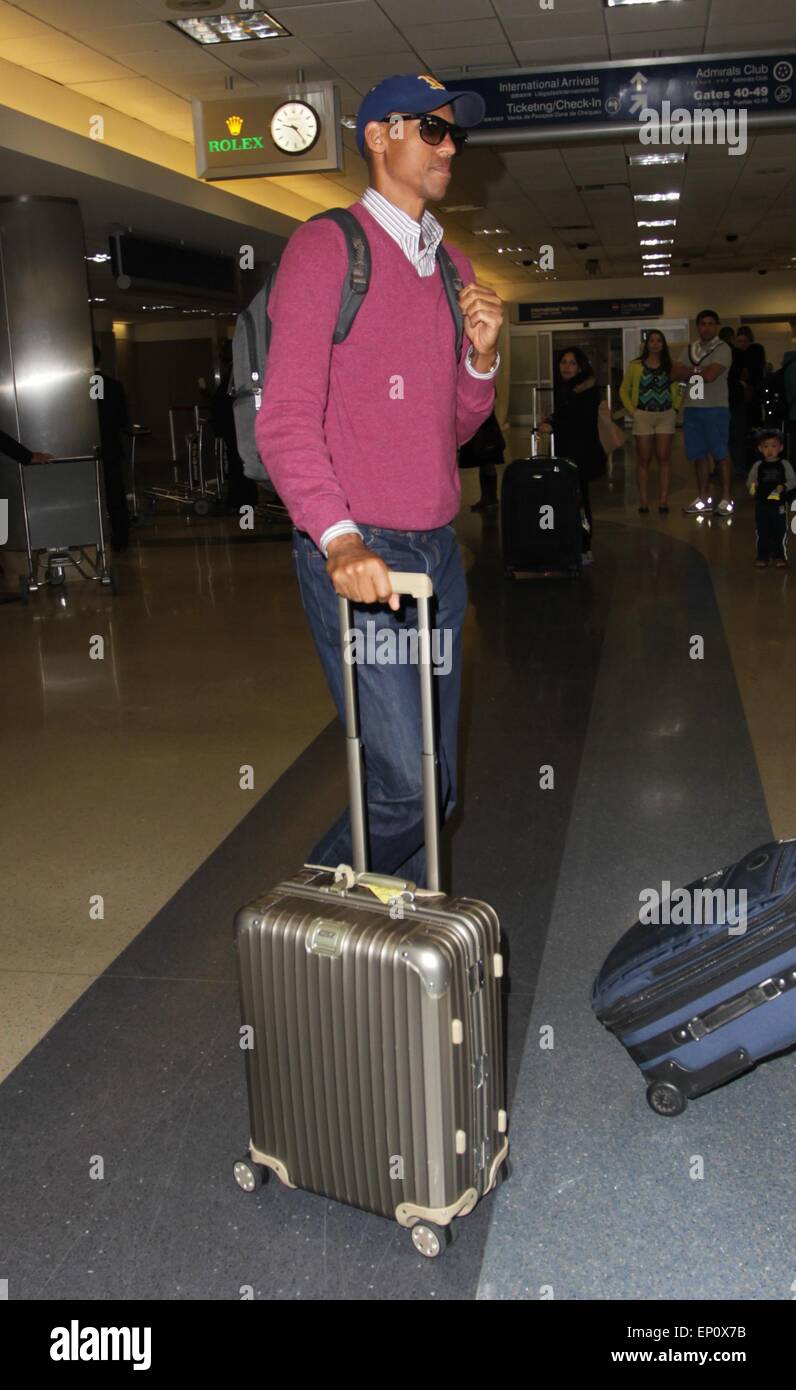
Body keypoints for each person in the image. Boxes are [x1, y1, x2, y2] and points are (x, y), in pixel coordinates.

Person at [255, 74, 502, 885]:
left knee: (442, 786)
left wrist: (481, 358)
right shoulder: (329, 247)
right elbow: (285, 417)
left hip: (436, 553)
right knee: (407, 785)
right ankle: (300, 924)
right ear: (378, 136)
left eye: (454, 134)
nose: (449, 147)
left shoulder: (449, 266)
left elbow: (453, 428)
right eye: (432, 130)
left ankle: (399, 963)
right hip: (364, 552)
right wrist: (339, 538)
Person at [538, 347, 605, 564]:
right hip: (566, 454)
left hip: (581, 457)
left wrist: (553, 423)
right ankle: (569, 542)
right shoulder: (564, 389)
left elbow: (577, 420)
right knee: (567, 500)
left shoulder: (587, 391)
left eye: (572, 363)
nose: (566, 367)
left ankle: (585, 546)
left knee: (580, 502)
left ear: (581, 366)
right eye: (564, 362)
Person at [671, 309, 733, 516]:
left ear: (716, 326)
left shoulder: (723, 348)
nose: (706, 327)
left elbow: (711, 375)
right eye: (703, 324)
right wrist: (697, 370)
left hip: (715, 408)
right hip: (693, 408)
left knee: (720, 454)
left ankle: (725, 498)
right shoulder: (690, 349)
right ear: (697, 326)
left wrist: (690, 370)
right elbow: (674, 373)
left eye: (710, 324)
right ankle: (703, 497)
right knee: (698, 455)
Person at [619, 329, 678, 514]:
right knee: (644, 459)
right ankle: (643, 501)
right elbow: (623, 390)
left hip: (666, 415)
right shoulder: (635, 365)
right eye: (651, 340)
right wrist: (632, 411)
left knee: (664, 458)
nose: (655, 344)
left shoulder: (671, 365)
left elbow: (683, 386)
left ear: (663, 344)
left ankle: (663, 500)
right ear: (646, 344)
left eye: (659, 340)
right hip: (642, 415)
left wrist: (676, 407)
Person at [210, 339, 259, 510]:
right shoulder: (232, 370)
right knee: (237, 463)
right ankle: (242, 499)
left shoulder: (236, 371)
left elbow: (227, 400)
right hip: (234, 426)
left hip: (236, 426)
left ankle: (243, 501)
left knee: (238, 463)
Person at [93, 344, 130, 551]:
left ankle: (96, 533)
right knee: (115, 492)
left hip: (88, 449)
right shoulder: (114, 385)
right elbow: (122, 419)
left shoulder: (79, 388)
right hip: (111, 447)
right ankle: (121, 535)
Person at [746, 428, 796, 569]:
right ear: (760, 449)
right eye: (766, 446)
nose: (770, 450)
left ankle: (779, 556)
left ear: (780, 448)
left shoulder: (784, 464)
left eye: (774, 446)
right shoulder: (758, 466)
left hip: (778, 504)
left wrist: (784, 486)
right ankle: (762, 556)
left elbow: (793, 480)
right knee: (762, 530)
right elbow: (750, 482)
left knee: (779, 530)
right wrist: (753, 487)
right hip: (762, 504)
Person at [728, 325, 766, 476]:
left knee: (745, 435)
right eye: (740, 341)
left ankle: (748, 465)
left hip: (748, 403)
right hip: (741, 402)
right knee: (740, 435)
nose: (743, 344)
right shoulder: (742, 356)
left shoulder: (751, 354)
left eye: (745, 341)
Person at [459, 409, 505, 512]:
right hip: (483, 423)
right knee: (485, 462)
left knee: (487, 461)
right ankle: (488, 498)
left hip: (484, 425)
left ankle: (489, 499)